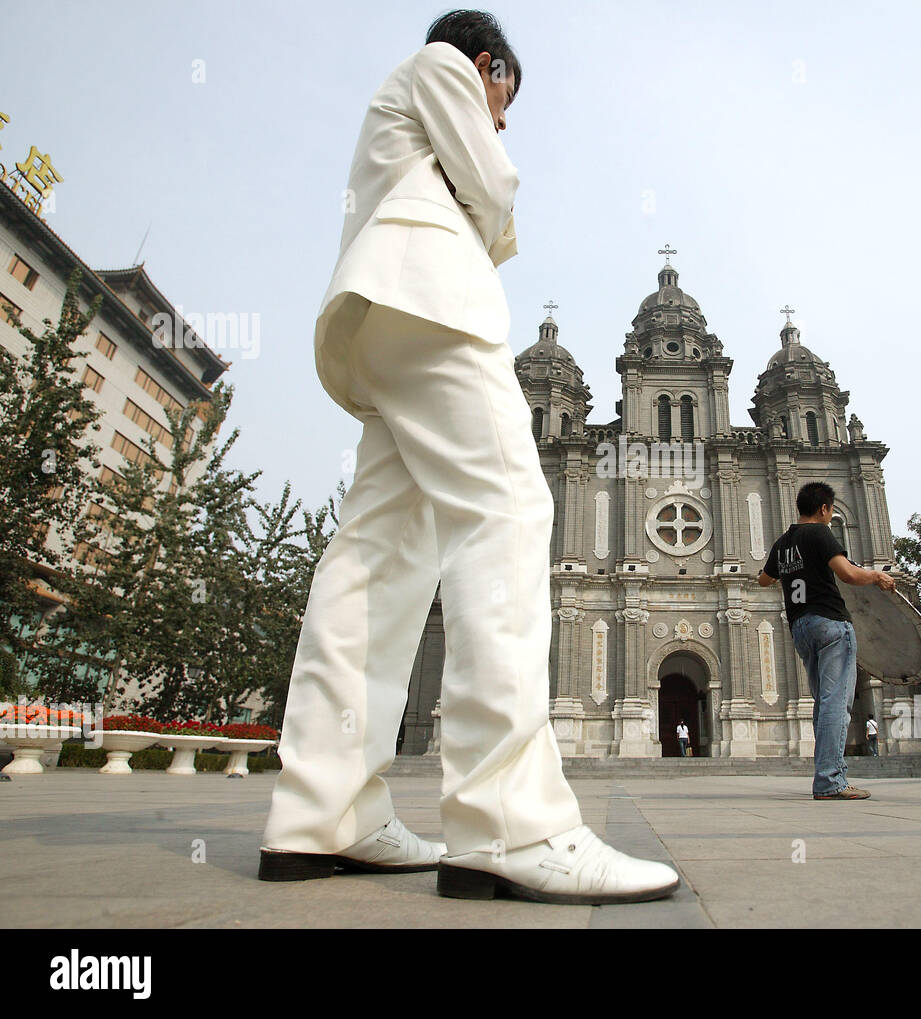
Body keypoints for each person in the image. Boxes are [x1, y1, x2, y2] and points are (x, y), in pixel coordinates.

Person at [258, 10, 679, 905]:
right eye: (504, 97)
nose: (501, 118)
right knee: (514, 511)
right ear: (484, 64)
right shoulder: (443, 65)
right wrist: (491, 197)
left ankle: (321, 812)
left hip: (380, 316)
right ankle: (509, 823)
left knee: (377, 558)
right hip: (430, 300)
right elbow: (493, 186)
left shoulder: (393, 113)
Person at [758, 481, 896, 800]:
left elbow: (764, 579)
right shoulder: (820, 533)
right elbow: (847, 574)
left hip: (800, 626)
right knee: (836, 702)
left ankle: (827, 774)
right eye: (831, 510)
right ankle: (830, 780)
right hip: (830, 622)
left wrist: (792, 571)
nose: (831, 515)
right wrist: (876, 575)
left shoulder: (783, 543)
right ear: (824, 509)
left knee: (823, 703)